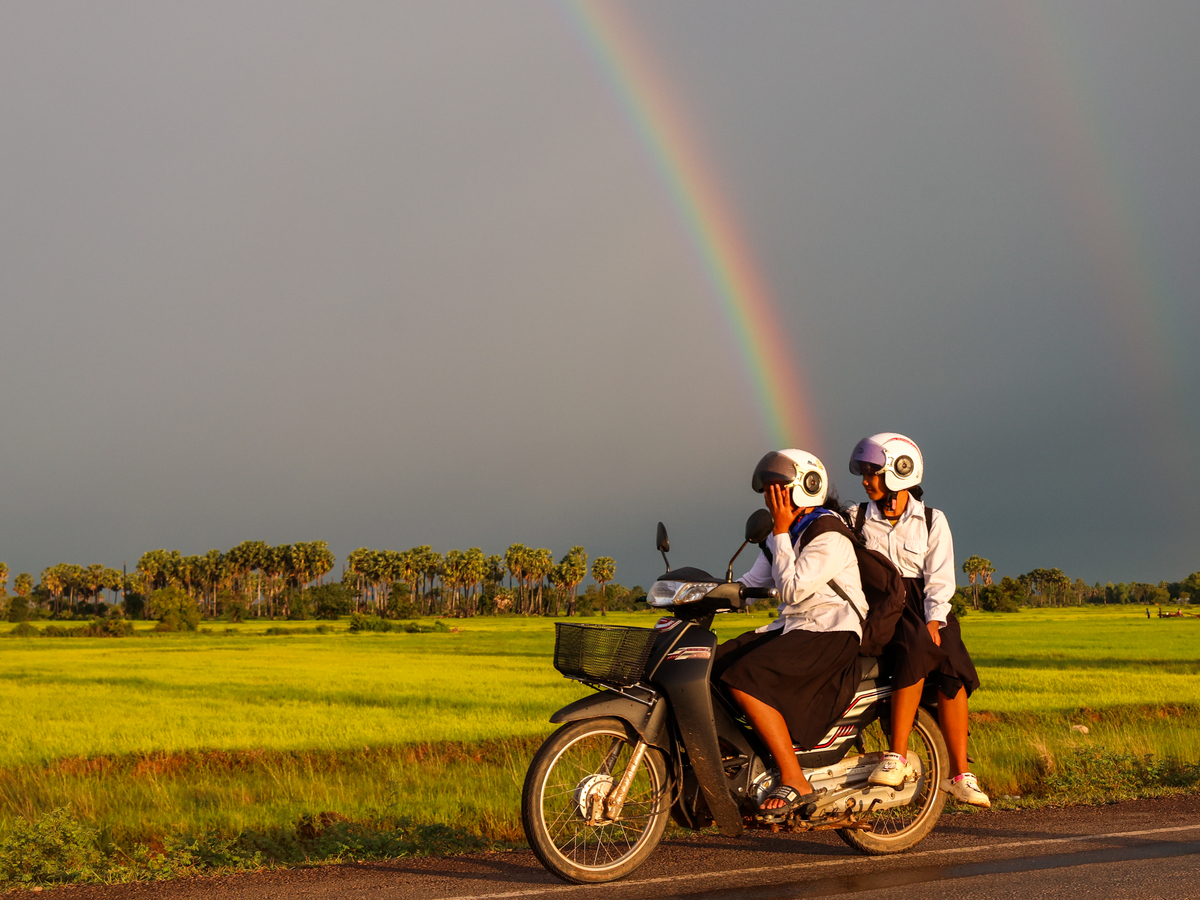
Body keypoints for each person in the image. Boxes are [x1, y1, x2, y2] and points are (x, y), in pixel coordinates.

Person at [713, 449, 868, 822]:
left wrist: (780, 532)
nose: (771, 498)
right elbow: (749, 586)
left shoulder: (828, 534)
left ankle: (794, 777)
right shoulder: (784, 537)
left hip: (832, 630)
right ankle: (747, 766)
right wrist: (695, 600)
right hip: (797, 627)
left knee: (745, 678)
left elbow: (792, 589)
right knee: (713, 666)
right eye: (767, 491)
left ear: (806, 488)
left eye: (778, 490)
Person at [848, 432, 990, 808]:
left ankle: (961, 775)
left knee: (952, 668)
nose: (865, 481)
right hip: (881, 605)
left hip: (925, 603)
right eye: (863, 472)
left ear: (898, 472)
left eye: (872, 473)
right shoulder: (855, 518)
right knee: (913, 645)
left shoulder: (931, 520)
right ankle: (896, 754)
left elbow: (940, 578)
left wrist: (935, 619)